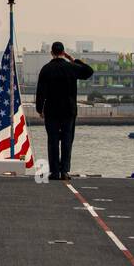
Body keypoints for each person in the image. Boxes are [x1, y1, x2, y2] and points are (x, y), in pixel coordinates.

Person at [34, 41, 93, 180]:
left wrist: (39, 109)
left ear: (51, 53)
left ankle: (54, 172)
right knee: (67, 140)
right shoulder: (71, 67)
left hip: (51, 110)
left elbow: (40, 91)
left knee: (53, 141)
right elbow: (88, 71)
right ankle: (64, 171)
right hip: (69, 110)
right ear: (63, 52)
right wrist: (73, 59)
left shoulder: (46, 69)